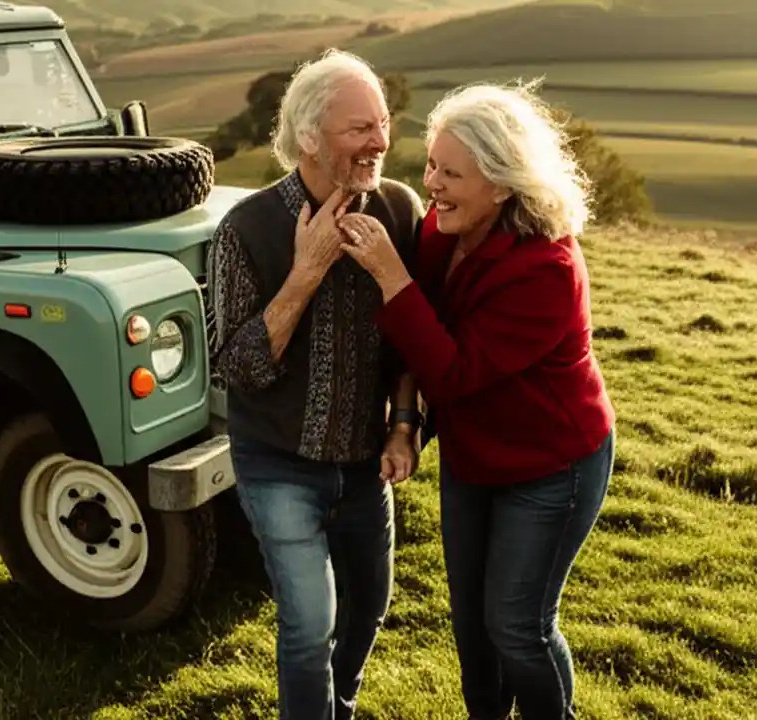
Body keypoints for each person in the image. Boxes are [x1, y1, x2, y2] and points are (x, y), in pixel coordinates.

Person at [337, 81, 616, 720]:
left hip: (552, 464)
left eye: (450, 173)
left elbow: (455, 370)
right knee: (472, 626)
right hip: (475, 457)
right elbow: (420, 334)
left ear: (503, 181)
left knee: (517, 624)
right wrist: (403, 424)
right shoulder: (443, 229)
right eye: (431, 163)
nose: (431, 183)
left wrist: (389, 274)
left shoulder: (546, 266)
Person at [207, 48, 426, 720]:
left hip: (367, 469)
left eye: (382, 122)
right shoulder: (247, 228)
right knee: (308, 628)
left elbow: (418, 335)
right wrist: (304, 274)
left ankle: (342, 705)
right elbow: (237, 369)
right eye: (359, 127)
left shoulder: (399, 208)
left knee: (367, 612)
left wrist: (403, 425)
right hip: (277, 466)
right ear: (308, 137)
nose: (380, 141)